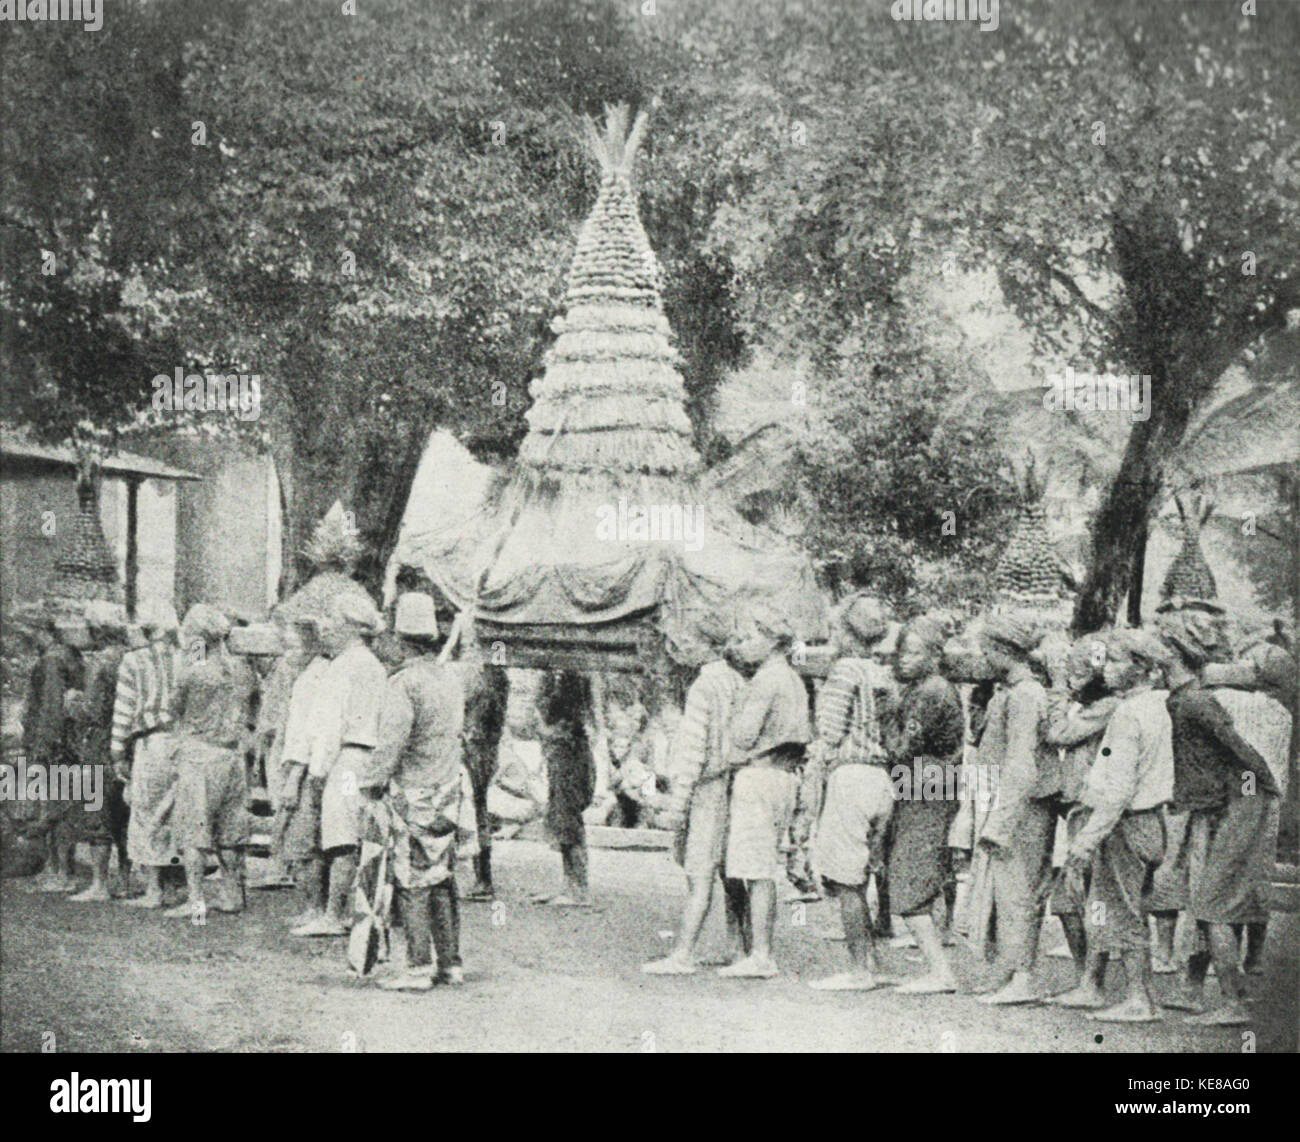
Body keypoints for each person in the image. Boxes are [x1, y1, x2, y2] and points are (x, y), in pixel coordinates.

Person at [1158, 609, 1280, 1025]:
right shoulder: (1183, 697)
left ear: (1174, 651)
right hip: (1216, 806)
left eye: (1161, 640)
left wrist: (1257, 793)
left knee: (1212, 906)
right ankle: (1195, 990)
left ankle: (1231, 1004)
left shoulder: (1196, 700)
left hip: (1238, 803)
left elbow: (1240, 750)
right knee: (1204, 901)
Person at [1052, 630, 1173, 1022]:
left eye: (1118, 661)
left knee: (1122, 912)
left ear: (1141, 669)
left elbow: (1119, 788)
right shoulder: (1158, 705)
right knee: (1109, 906)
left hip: (1125, 824)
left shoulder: (1129, 713)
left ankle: (1139, 999)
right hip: (1150, 820)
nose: (1109, 669)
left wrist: (1086, 839)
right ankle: (1107, 987)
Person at [357, 593, 468, 991]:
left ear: (400, 639)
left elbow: (391, 744)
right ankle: (450, 962)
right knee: (441, 878)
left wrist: (368, 785)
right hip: (448, 791)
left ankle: (418, 966)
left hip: (414, 793)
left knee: (411, 880)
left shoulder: (404, 684)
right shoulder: (449, 679)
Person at [797, 596, 895, 990]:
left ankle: (860, 970)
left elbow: (831, 732)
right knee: (865, 872)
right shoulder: (883, 672)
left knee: (846, 880)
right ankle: (871, 962)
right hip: (882, 778)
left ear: (845, 630)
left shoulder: (844, 671)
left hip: (851, 775)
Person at [642, 613, 745, 974]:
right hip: (735, 783)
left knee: (698, 872)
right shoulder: (738, 680)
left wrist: (677, 804)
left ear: (703, 644)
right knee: (731, 872)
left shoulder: (704, 686)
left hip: (709, 787)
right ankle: (738, 948)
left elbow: (692, 752)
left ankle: (682, 953)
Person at [719, 603, 811, 979]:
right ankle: (758, 951)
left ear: (772, 639)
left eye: (751, 636)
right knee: (762, 867)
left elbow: (742, 736)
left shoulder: (766, 680)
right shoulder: (794, 679)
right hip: (785, 776)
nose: (744, 645)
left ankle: (761, 954)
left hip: (760, 774)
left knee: (756, 870)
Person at [291, 594, 387, 937]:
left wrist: (317, 772)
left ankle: (333, 914)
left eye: (332, 619)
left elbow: (330, 727)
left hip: (347, 760)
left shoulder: (344, 666)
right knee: (356, 833)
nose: (325, 627)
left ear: (351, 626)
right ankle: (348, 910)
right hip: (368, 758)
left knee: (341, 837)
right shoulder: (373, 665)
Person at [974, 613, 1055, 1005]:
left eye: (988, 651)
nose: (984, 659)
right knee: (1005, 893)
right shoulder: (1009, 691)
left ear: (1005, 651)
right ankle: (1007, 969)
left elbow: (1022, 764)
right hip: (1005, 802)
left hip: (1021, 809)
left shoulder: (1025, 695)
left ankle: (1022, 976)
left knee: (1017, 894)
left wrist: (1000, 822)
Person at [884, 613, 966, 994]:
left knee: (911, 872)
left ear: (934, 654)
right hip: (926, 783)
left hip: (925, 785)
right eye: (902, 650)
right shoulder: (931, 688)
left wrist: (884, 721)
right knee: (918, 869)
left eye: (914, 652)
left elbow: (903, 749)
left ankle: (940, 971)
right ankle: (935, 959)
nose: (904, 658)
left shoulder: (930, 692)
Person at [1203, 635, 1294, 975]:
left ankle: (1223, 962)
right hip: (1270, 798)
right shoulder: (1280, 711)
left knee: (1227, 882)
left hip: (1245, 792)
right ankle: (1253, 957)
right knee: (1257, 879)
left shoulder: (1238, 703)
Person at [166, 605, 257, 919]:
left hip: (200, 751)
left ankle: (196, 901)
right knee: (230, 829)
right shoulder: (241, 668)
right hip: (232, 753)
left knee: (194, 829)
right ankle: (232, 894)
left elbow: (175, 705)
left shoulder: (195, 665)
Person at [1040, 634, 1119, 982]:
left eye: (1078, 672)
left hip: (1093, 812)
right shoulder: (1089, 705)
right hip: (1074, 810)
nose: (1072, 678)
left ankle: (1093, 978)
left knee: (1092, 900)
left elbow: (1058, 732)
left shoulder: (1108, 707)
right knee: (1069, 900)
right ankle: (1086, 974)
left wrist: (1057, 688)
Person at [114, 599, 182, 909]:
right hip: (182, 741)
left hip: (152, 742)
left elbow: (124, 710)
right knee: (175, 811)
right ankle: (173, 885)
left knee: (147, 812)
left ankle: (154, 889)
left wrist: (117, 751)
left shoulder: (133, 660)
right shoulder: (188, 657)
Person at [66, 602, 131, 901]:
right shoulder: (130, 658)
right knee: (123, 815)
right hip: (126, 744)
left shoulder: (100, 664)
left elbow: (91, 710)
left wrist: (72, 701)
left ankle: (99, 883)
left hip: (98, 743)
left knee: (96, 813)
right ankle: (127, 881)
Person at [273, 616, 334, 926]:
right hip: (310, 766)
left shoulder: (313, 679)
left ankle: (315, 907)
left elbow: (308, 733)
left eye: (293, 647)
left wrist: (293, 778)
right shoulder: (312, 674)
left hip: (307, 768)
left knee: (304, 841)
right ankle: (316, 906)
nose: (288, 654)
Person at [20, 612, 84, 893]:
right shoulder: (69, 656)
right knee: (60, 808)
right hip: (67, 742)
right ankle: (56, 868)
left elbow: (50, 707)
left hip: (53, 743)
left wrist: (43, 747)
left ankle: (60, 872)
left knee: (54, 809)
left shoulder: (51, 660)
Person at [533, 669, 597, 907]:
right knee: (565, 827)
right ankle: (571, 886)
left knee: (569, 827)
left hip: (568, 770)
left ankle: (577, 890)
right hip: (565, 766)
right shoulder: (572, 727)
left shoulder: (567, 725)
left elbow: (547, 726)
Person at [461, 652, 509, 901]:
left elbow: (474, 725)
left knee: (475, 812)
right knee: (478, 811)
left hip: (477, 752)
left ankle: (483, 879)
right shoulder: (497, 681)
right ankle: (482, 878)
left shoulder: (488, 687)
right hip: (483, 752)